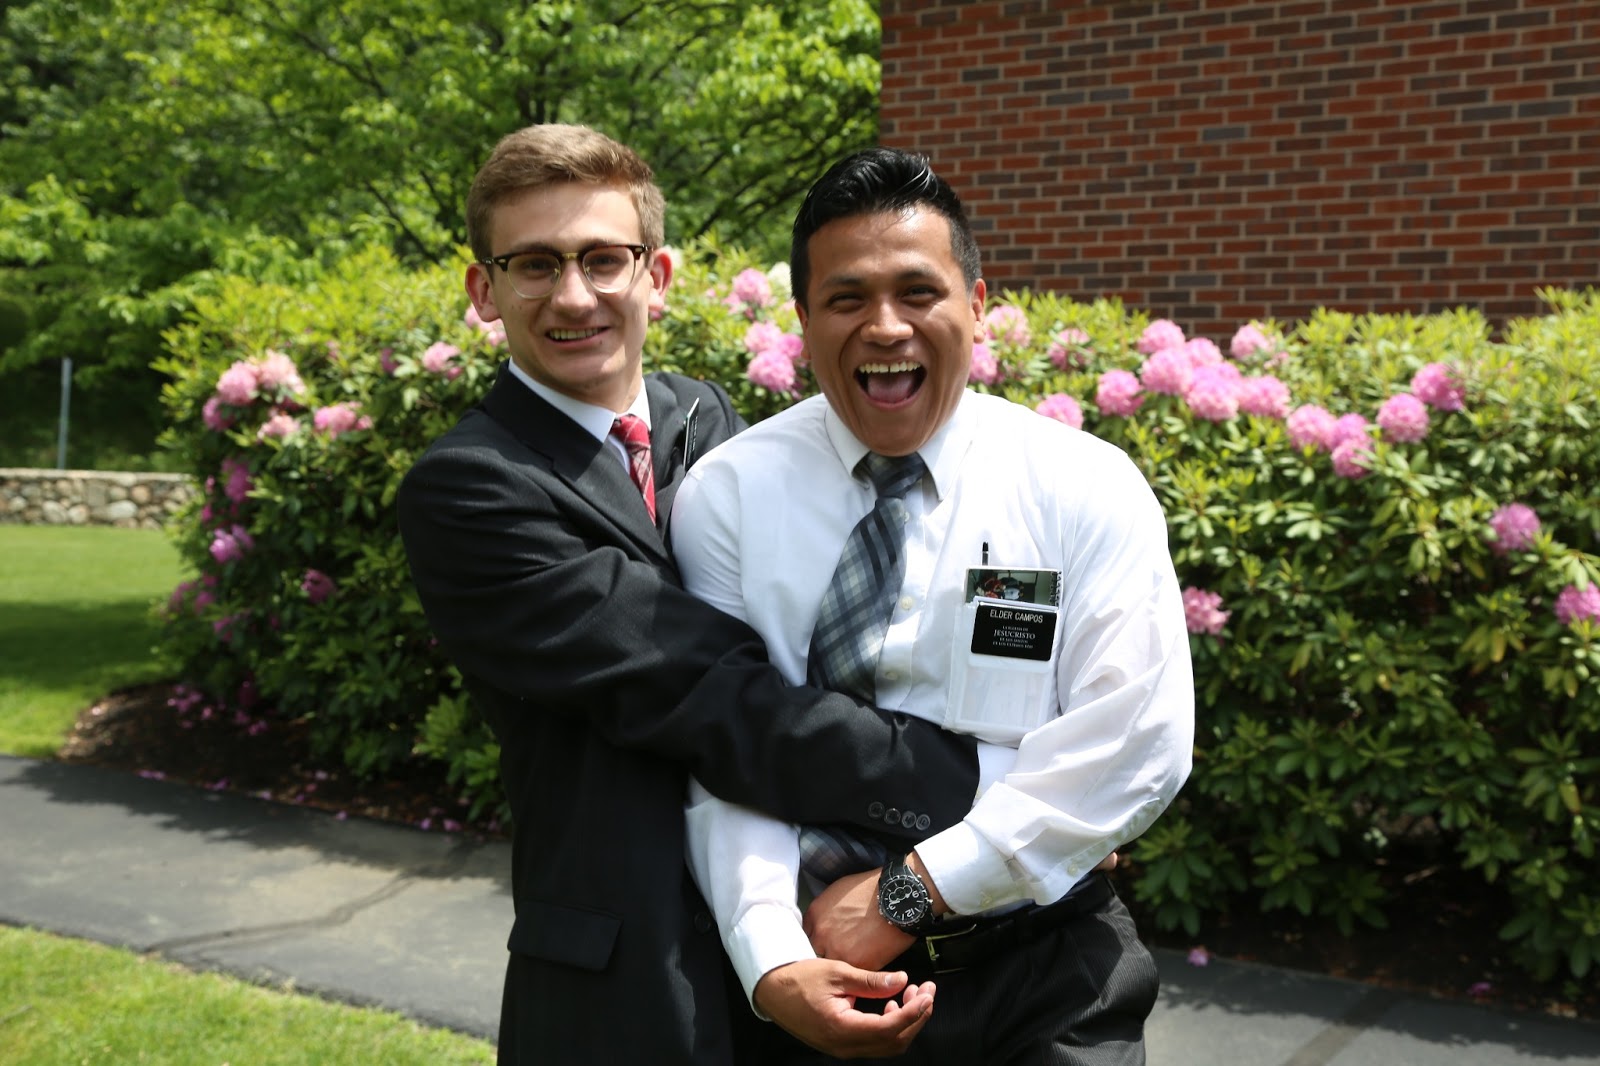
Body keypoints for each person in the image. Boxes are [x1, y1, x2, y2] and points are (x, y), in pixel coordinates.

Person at [395, 125, 986, 1066]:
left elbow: (848, 626)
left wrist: (1046, 800)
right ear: (485, 291)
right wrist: (987, 792)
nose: (574, 294)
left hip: (813, 926)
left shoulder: (708, 421)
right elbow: (713, 696)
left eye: (603, 258)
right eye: (536, 264)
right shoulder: (471, 488)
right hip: (633, 976)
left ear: (657, 276)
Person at [673, 147, 1195, 1064]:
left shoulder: (1082, 486)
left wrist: (907, 894)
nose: (886, 327)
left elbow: (1135, 741)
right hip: (819, 989)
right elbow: (729, 755)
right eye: (846, 298)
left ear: (978, 303)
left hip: (1047, 972)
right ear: (801, 317)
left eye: (919, 291)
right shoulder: (729, 497)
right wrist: (770, 959)